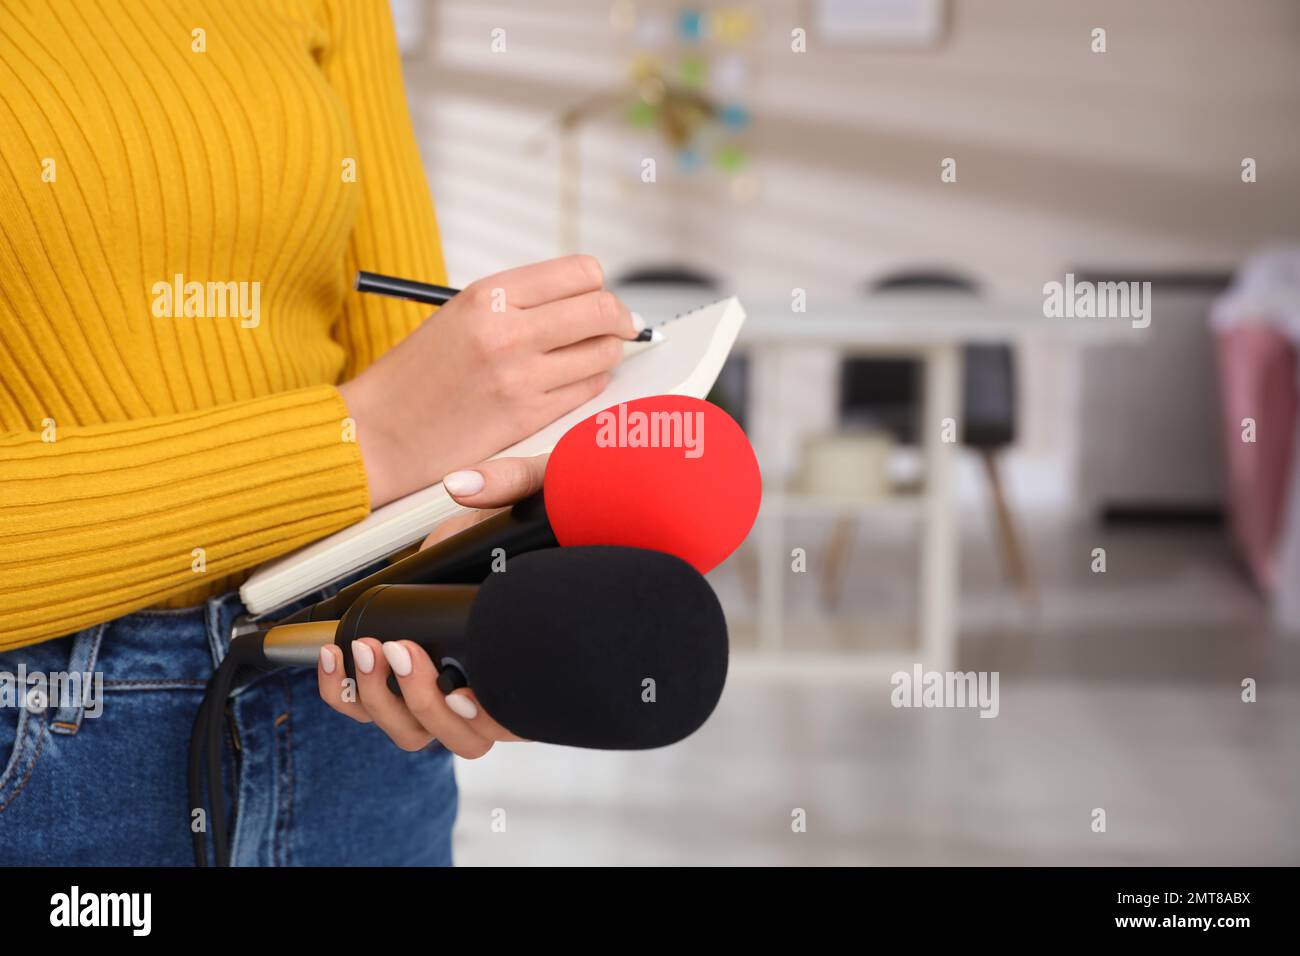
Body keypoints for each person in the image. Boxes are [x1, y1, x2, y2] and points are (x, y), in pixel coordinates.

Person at [0, 0, 638, 865]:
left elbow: (410, 381)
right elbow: (391, 424)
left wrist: (458, 566)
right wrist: (358, 439)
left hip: (343, 702)